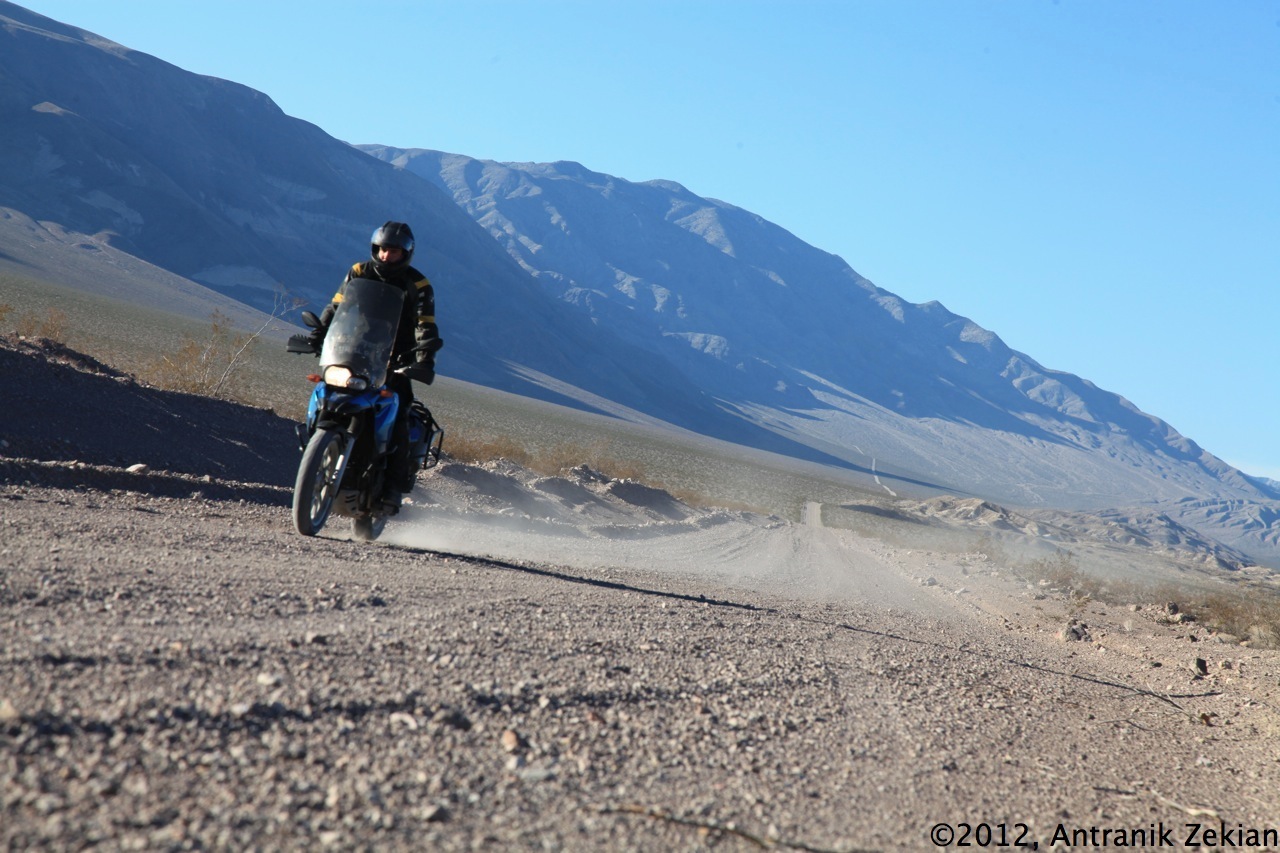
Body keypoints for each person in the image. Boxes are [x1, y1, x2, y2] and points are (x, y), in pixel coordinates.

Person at [310, 221, 443, 512]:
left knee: (400, 411)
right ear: (375, 248)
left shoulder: (418, 284)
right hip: (354, 349)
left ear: (405, 253)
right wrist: (318, 334)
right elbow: (336, 306)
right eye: (383, 250)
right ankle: (314, 453)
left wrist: (424, 358)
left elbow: (425, 325)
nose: (386, 256)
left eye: (393, 252)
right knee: (326, 390)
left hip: (397, 359)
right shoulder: (358, 272)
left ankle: (393, 489)